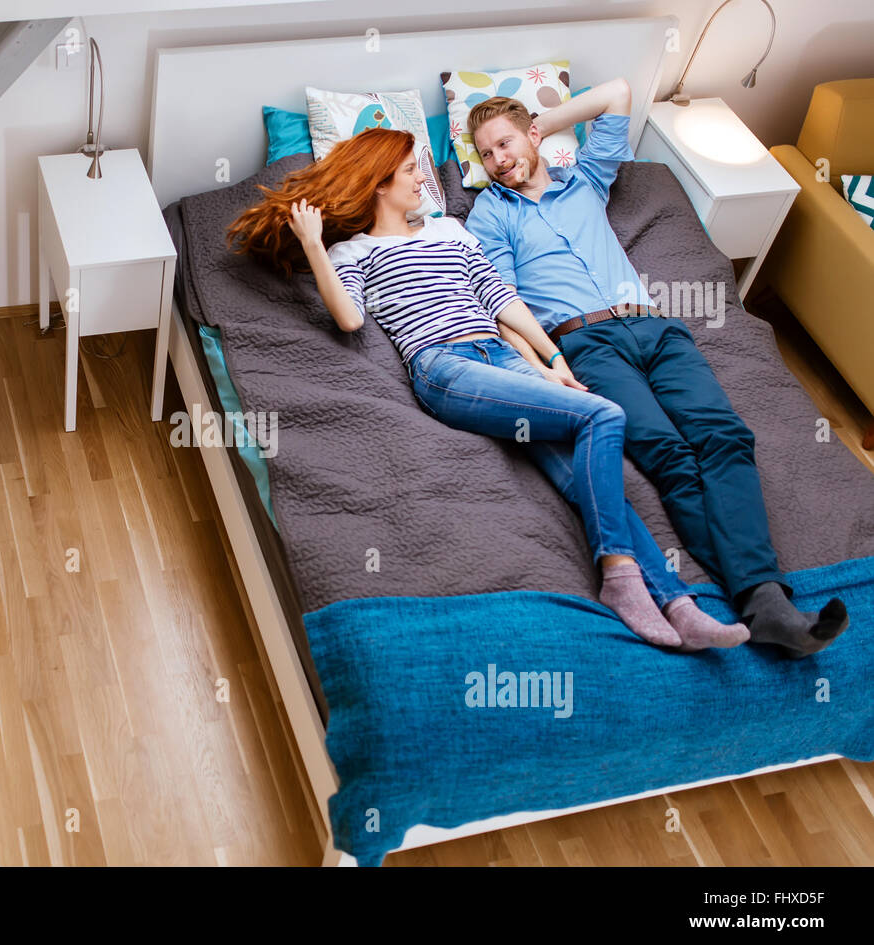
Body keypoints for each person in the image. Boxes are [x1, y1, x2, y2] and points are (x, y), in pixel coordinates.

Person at [226, 127, 748, 650]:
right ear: (379, 182)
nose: (421, 179)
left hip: (501, 356)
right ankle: (619, 578)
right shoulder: (355, 252)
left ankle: (678, 603)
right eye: (410, 170)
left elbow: (500, 299)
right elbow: (347, 318)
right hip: (445, 367)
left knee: (581, 477)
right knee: (603, 416)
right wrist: (314, 245)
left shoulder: (451, 230)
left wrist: (551, 359)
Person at [462, 79, 848, 658]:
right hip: (586, 342)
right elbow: (500, 305)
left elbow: (618, 93)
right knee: (669, 455)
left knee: (725, 436)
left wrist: (538, 119)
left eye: (506, 143)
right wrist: (547, 365)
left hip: (657, 328)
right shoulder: (490, 214)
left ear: (536, 134)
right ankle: (764, 600)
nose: (498, 161)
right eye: (485, 154)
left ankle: (762, 601)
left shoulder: (587, 180)